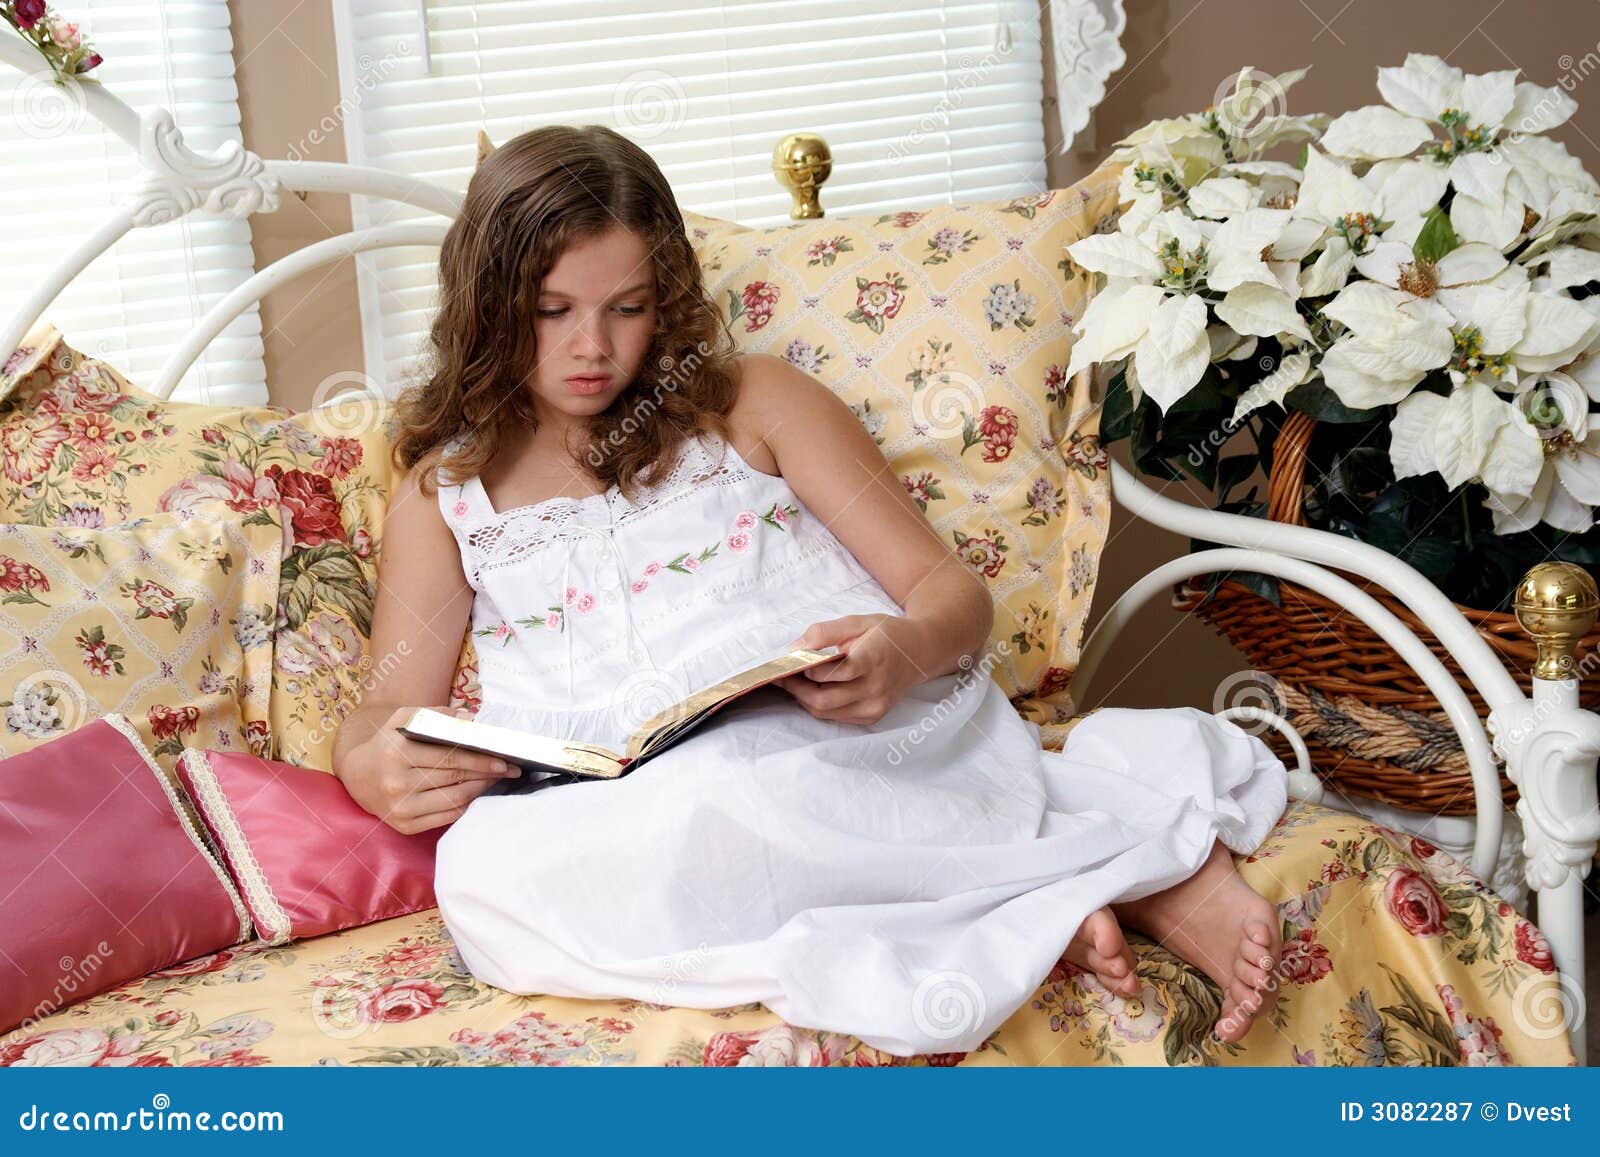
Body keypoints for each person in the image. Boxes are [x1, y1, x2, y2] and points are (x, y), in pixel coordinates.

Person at [331, 124, 1290, 1058]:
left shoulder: (752, 404)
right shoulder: (449, 494)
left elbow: (951, 594)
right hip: (617, 797)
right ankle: (1020, 905)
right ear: (489, 306)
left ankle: (1104, 885)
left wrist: (903, 652)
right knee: (488, 874)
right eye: (551, 310)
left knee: (739, 792)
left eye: (627, 307)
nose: (593, 346)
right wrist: (377, 765)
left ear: (666, 298)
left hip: (823, 740)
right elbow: (382, 709)